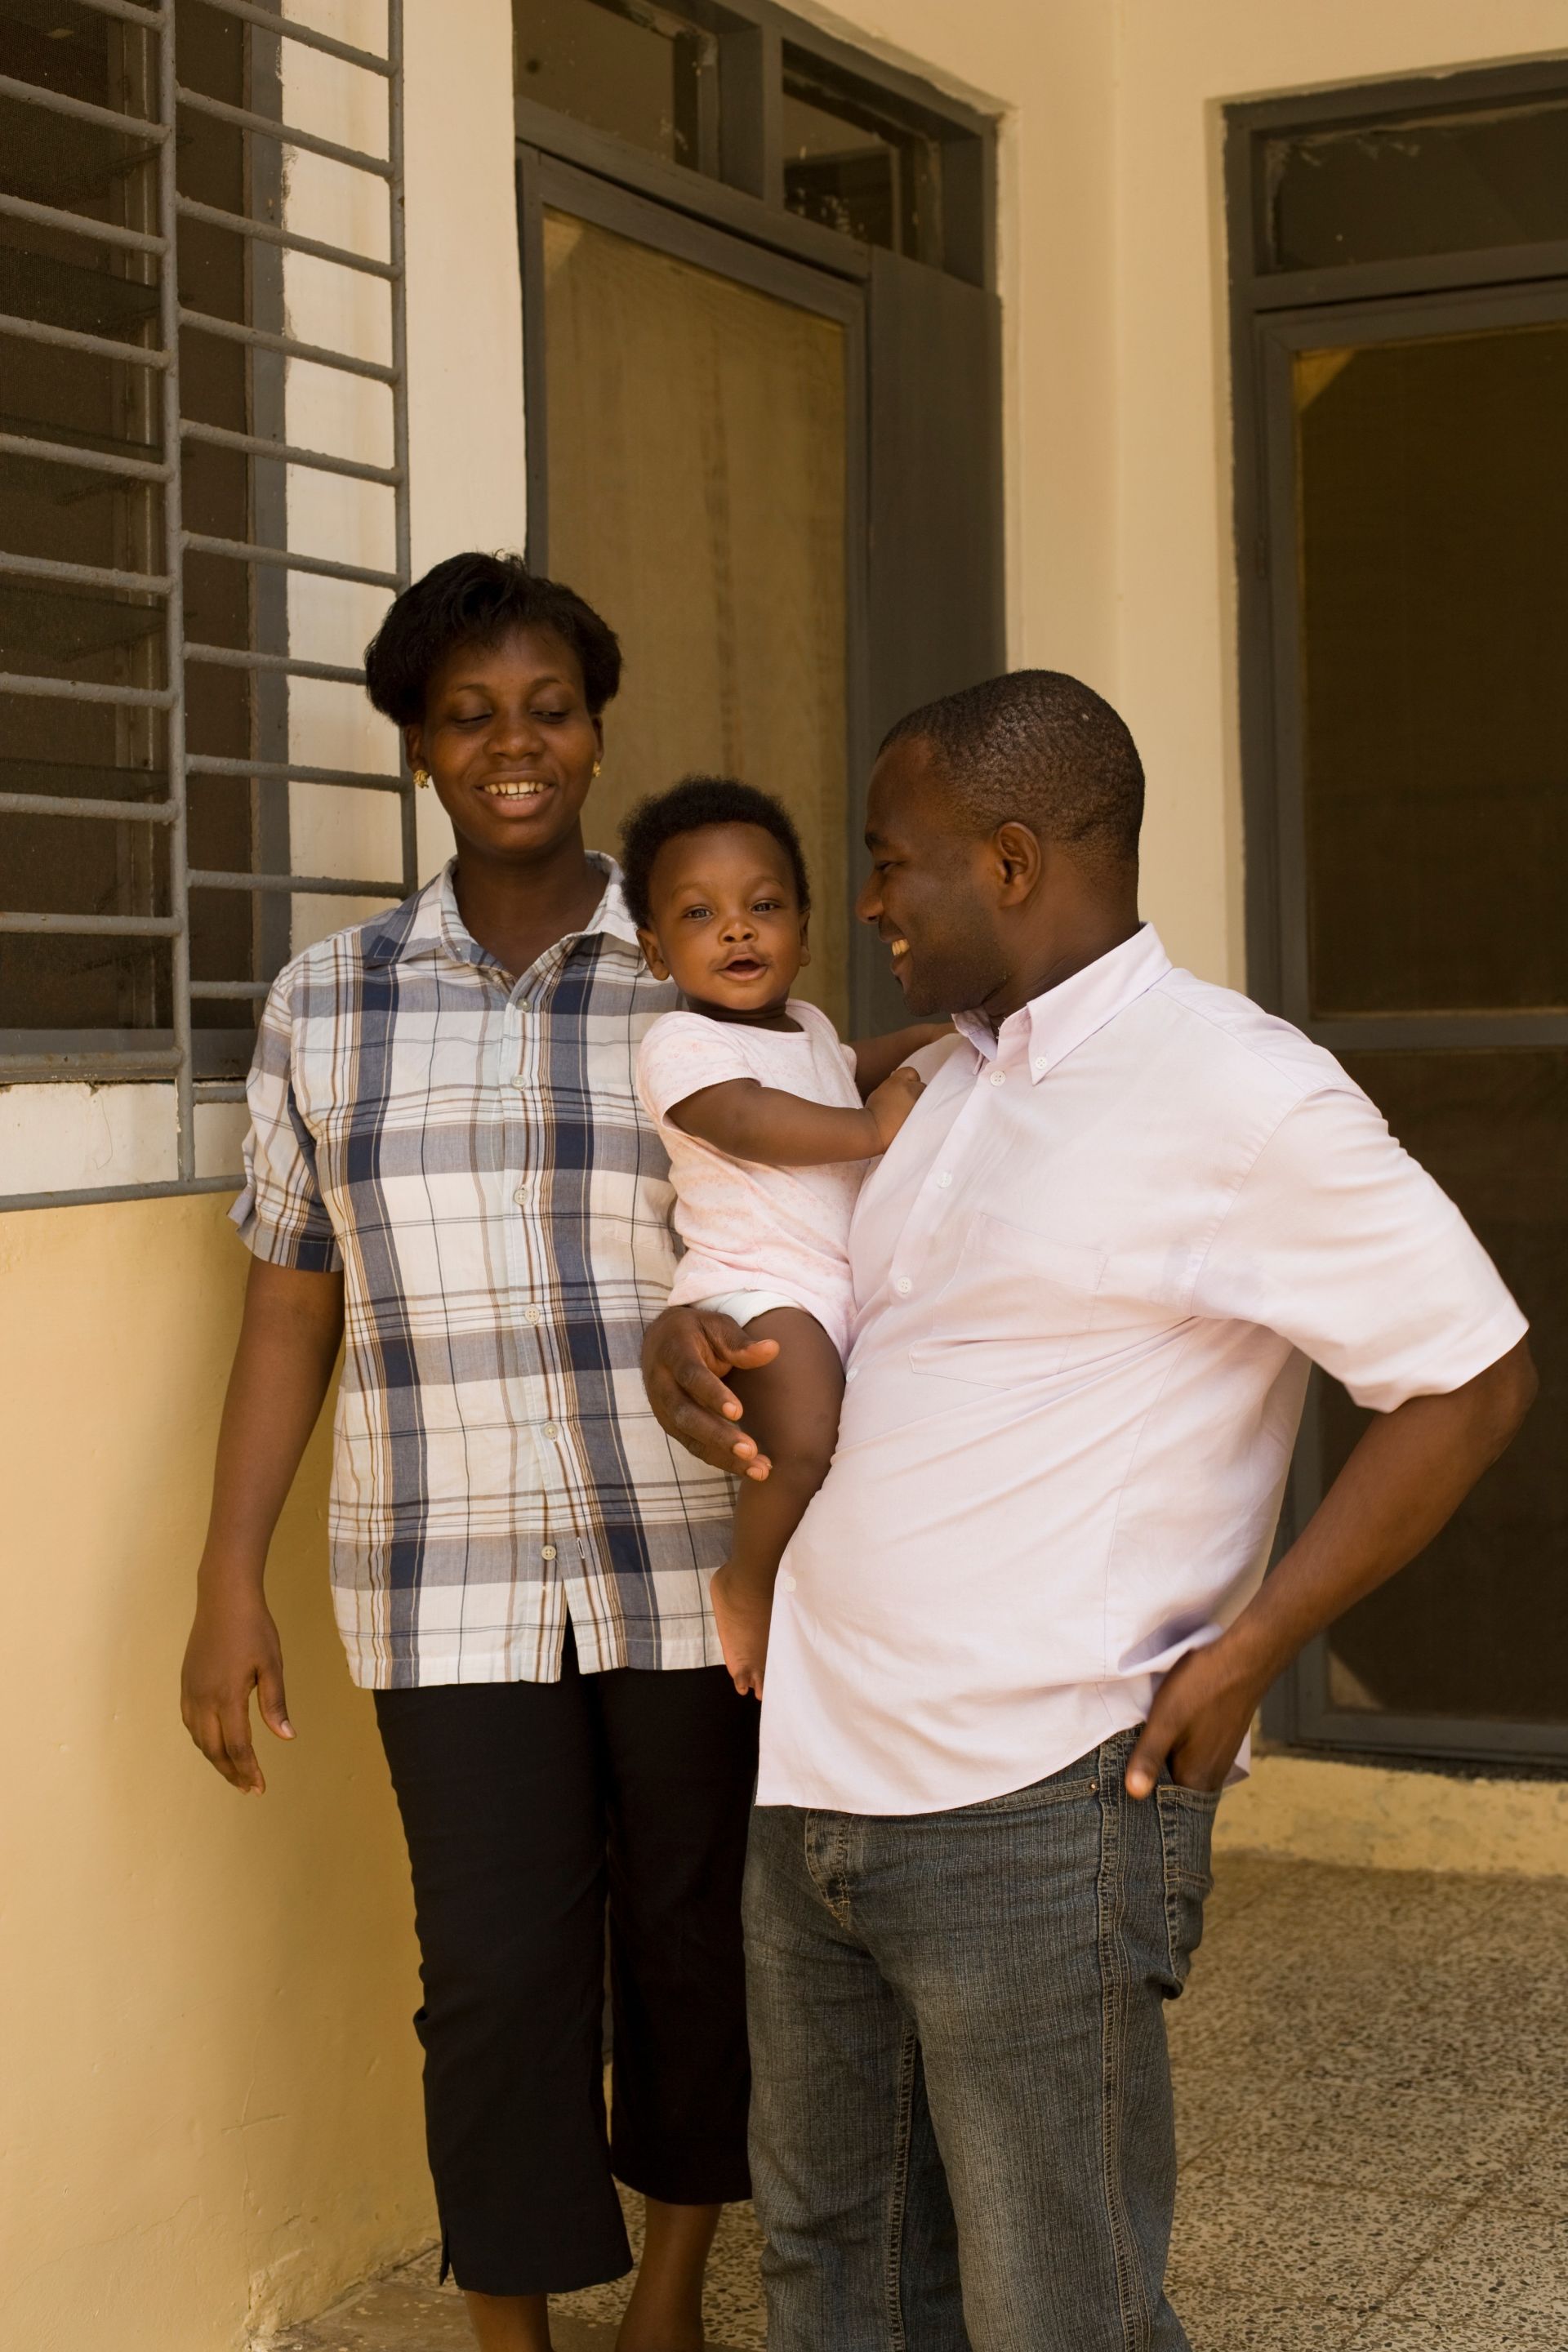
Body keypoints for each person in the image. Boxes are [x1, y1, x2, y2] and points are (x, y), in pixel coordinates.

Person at [641, 669, 1536, 2352]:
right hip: (819, 1784)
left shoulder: (1237, 1090)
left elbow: (1472, 1379)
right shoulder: (953, 1082)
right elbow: (833, 1320)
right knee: (838, 2275)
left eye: (891, 862)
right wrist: (684, 1340)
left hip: (1039, 1810)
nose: (876, 905)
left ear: (1008, 857)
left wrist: (1260, 1640)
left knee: (1058, 2309)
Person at [180, 554, 767, 2352]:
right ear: (421, 751)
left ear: (596, 728)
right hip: (441, 1580)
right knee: (497, 1979)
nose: (515, 746)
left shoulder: (696, 980)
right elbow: (292, 1307)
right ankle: (505, 2326)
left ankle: (670, 2293)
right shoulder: (328, 1004)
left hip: (691, 1565)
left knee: (688, 1949)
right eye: (468, 717)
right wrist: (224, 1581)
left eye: (550, 709)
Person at [620, 775, 933, 1694]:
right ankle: (744, 1581)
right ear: (653, 949)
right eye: (699, 913)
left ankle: (826, 1617)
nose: (737, 929)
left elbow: (842, 1068)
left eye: (764, 906)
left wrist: (937, 1040)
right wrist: (876, 1128)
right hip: (755, 1284)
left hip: (838, 1287)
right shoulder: (679, 1048)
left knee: (852, 1461)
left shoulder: (807, 1026)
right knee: (800, 1442)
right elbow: (753, 1121)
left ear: (803, 923)